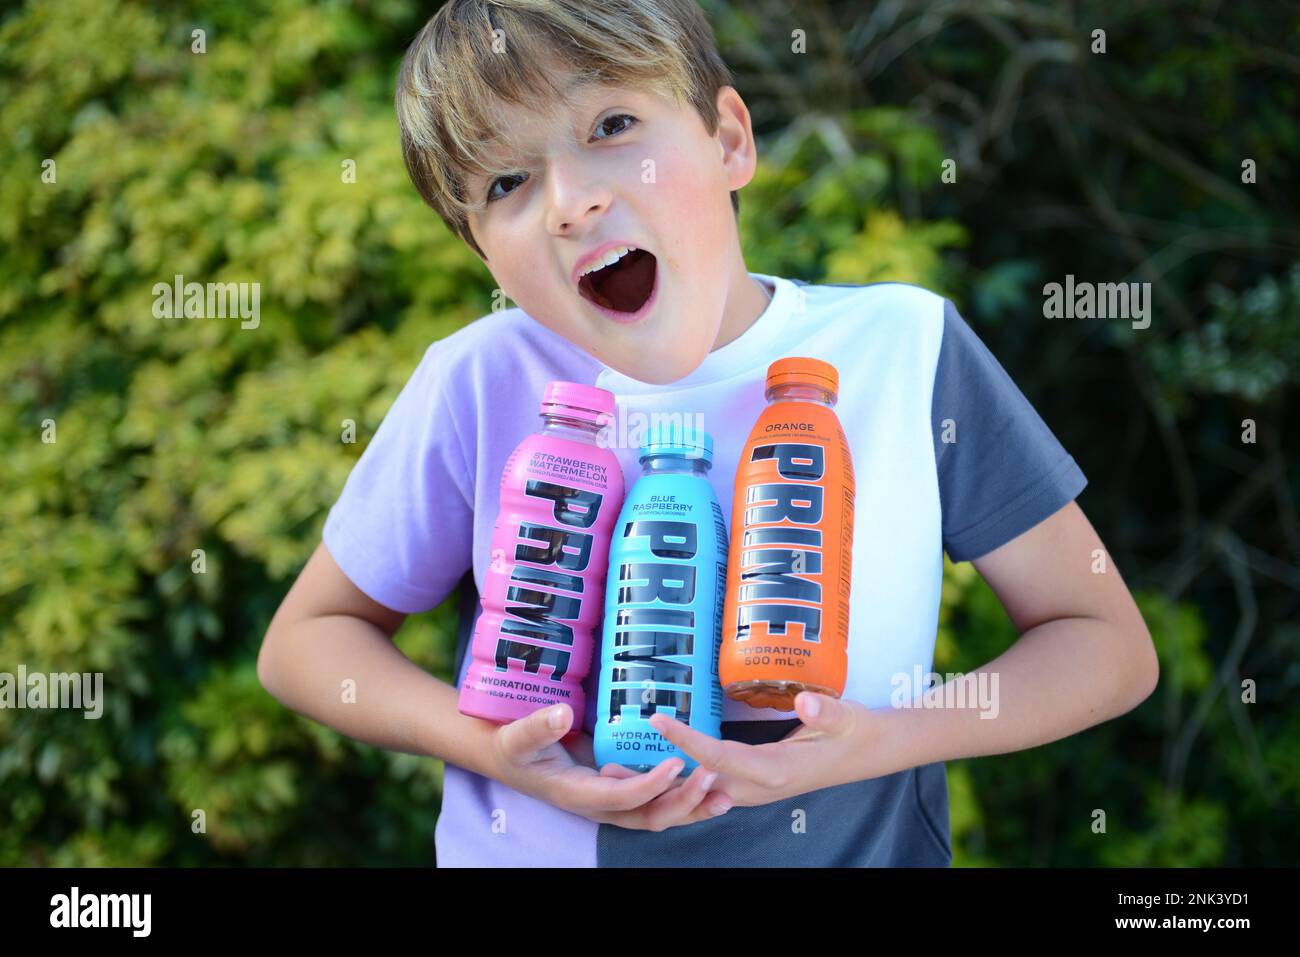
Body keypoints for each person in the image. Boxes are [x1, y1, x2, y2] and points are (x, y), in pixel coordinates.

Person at [257, 0, 1159, 867]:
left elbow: (1103, 643)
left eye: (611, 126)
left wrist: (877, 742)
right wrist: (488, 745)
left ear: (729, 139)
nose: (569, 202)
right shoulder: (479, 380)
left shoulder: (906, 349)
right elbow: (308, 641)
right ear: (483, 250)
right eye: (505, 183)